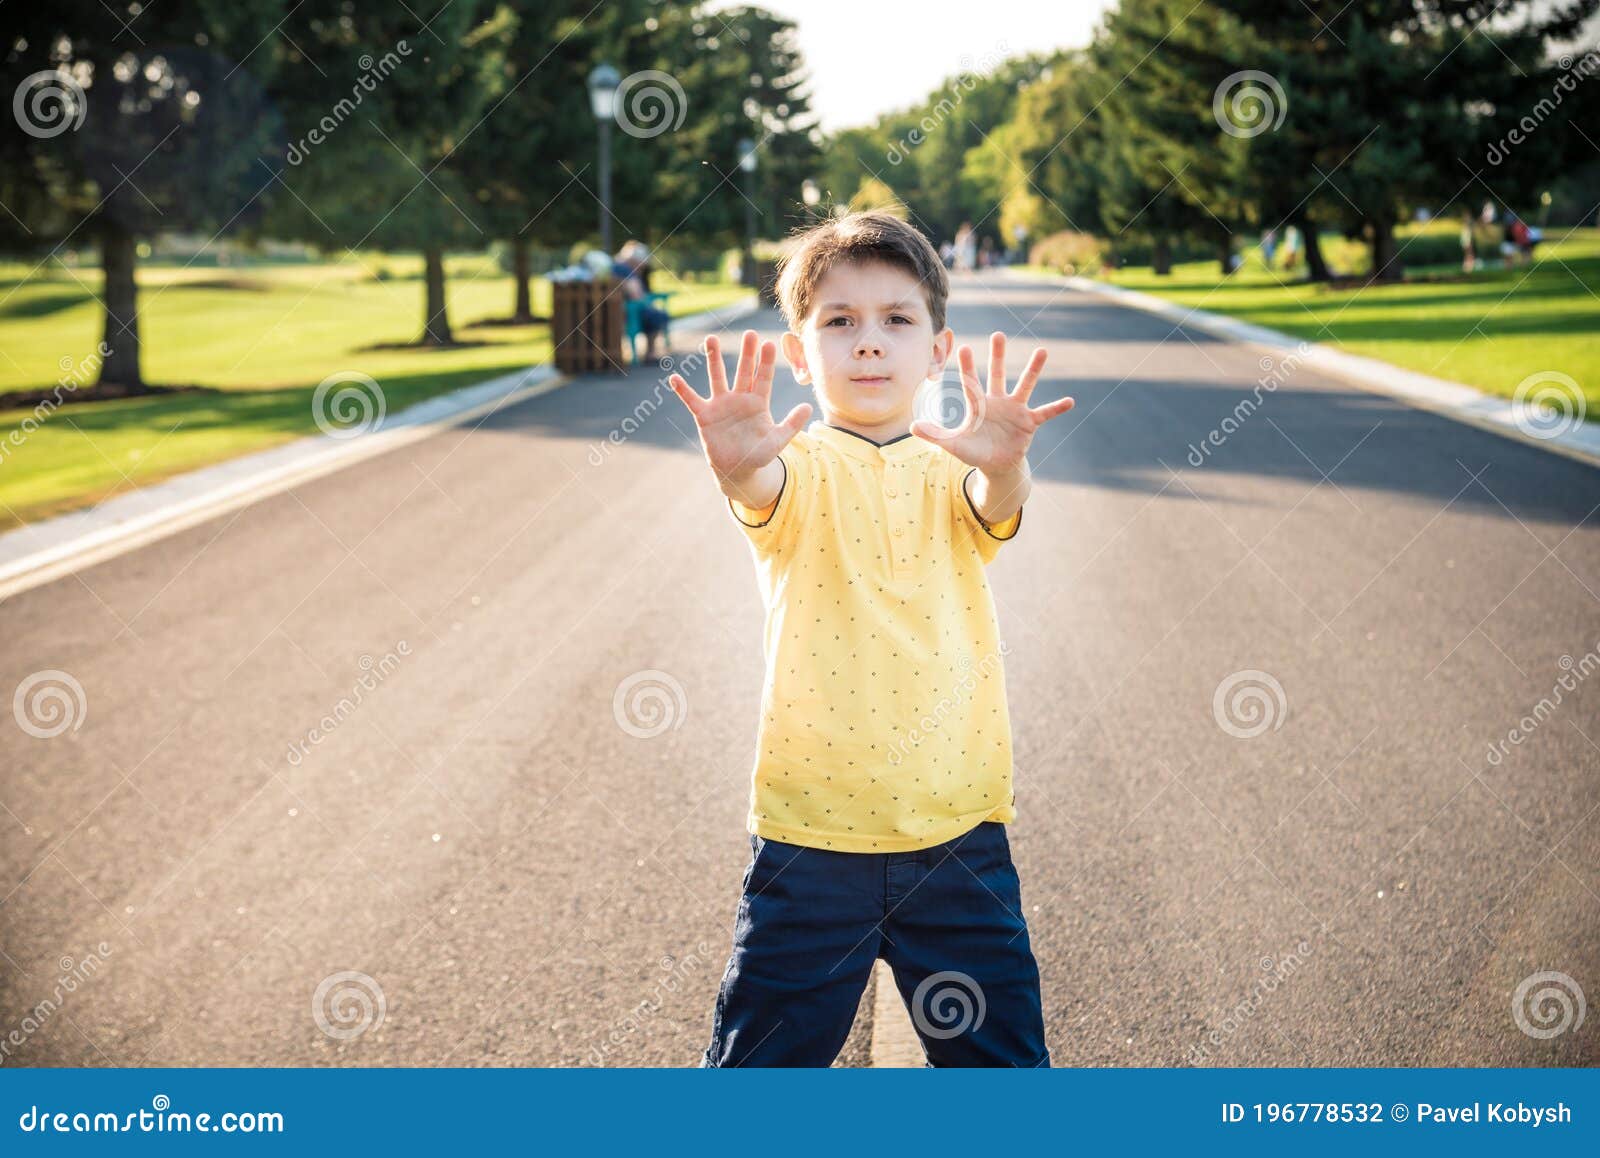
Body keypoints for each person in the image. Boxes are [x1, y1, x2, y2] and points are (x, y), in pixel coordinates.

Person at [665, 211, 1076, 1067]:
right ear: (798, 352)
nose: (869, 343)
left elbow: (995, 502)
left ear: (938, 349)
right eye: (839, 322)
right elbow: (759, 486)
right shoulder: (797, 467)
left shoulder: (958, 463)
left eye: (897, 319)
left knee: (1002, 1074)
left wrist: (1004, 464)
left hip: (957, 835)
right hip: (811, 844)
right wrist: (737, 464)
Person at [613, 239, 668, 359]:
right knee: (656, 315)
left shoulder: (618, 266)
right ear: (634, 261)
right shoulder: (624, 269)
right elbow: (636, 294)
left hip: (622, 310)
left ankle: (650, 352)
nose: (641, 268)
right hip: (628, 311)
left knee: (655, 314)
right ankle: (650, 353)